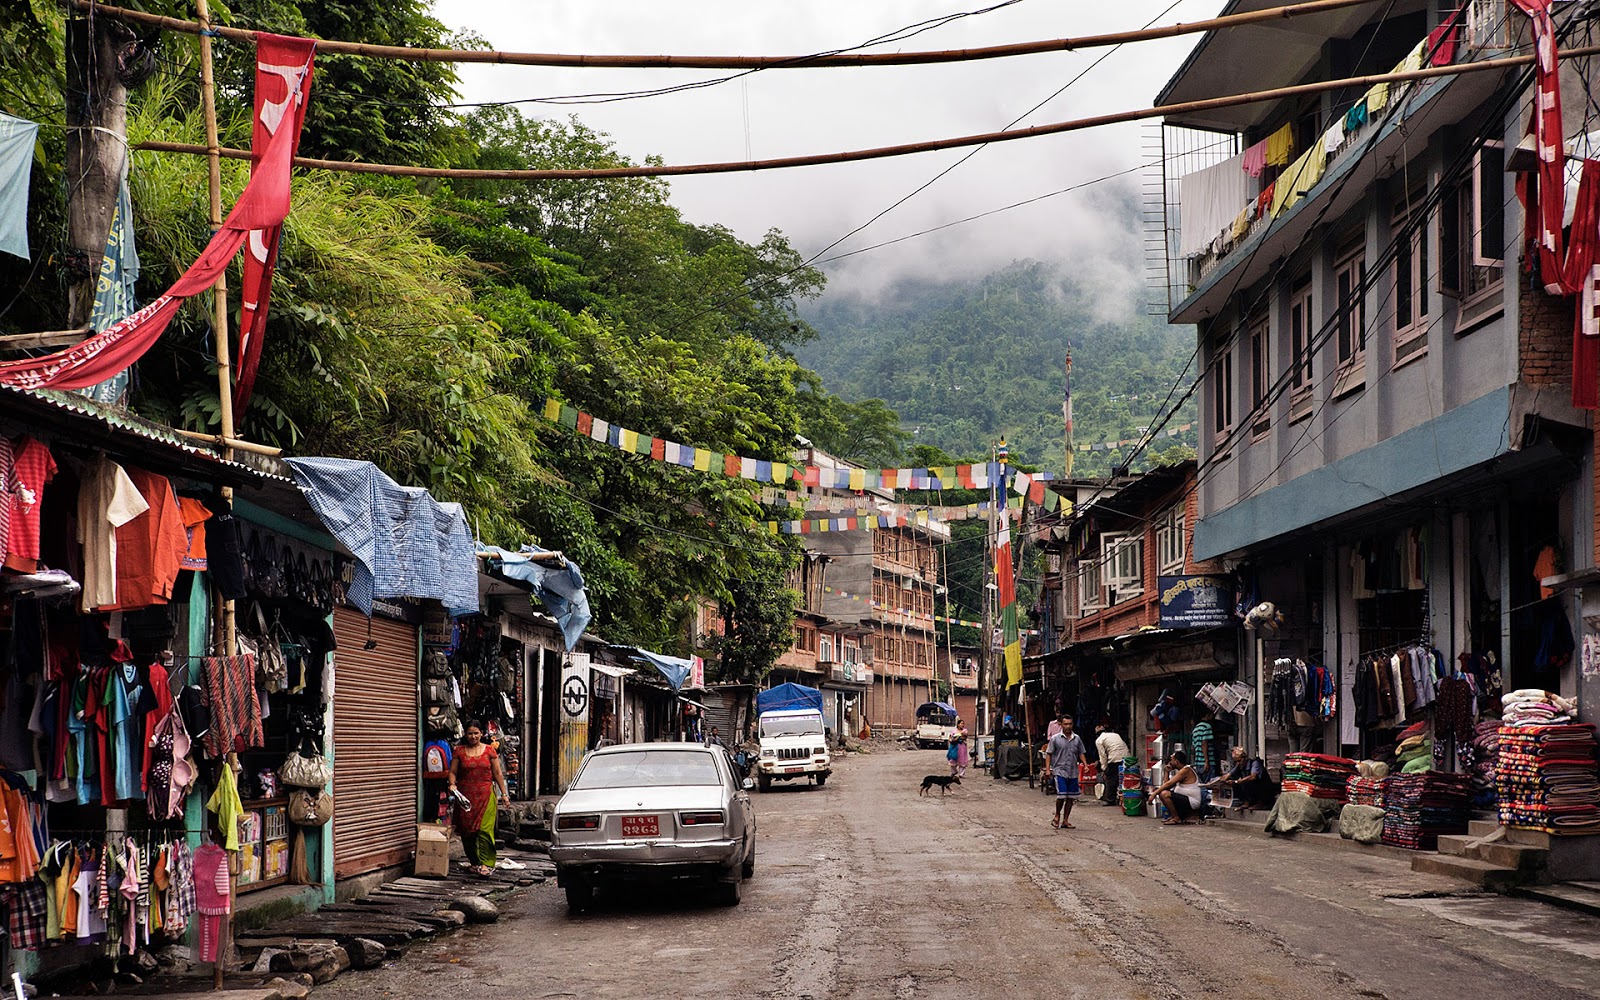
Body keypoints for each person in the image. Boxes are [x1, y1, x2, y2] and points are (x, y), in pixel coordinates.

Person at [448, 721, 509, 875]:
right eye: (470, 733)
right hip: (465, 797)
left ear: (481, 734)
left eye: (476, 733)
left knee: (484, 830)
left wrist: (504, 795)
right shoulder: (459, 751)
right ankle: (474, 862)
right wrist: (452, 784)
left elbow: (497, 774)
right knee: (467, 831)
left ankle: (487, 864)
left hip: (486, 794)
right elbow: (453, 772)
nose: (473, 736)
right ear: (465, 735)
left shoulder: (489, 751)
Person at [1042, 714, 1088, 830]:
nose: (1068, 726)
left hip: (1073, 771)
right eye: (1065, 724)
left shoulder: (1077, 739)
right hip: (1059, 770)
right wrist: (1048, 769)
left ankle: (1065, 820)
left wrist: (1085, 764)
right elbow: (1049, 754)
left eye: (1070, 724)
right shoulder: (1055, 739)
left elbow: (1081, 752)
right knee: (1061, 796)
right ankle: (1057, 816)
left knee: (1071, 797)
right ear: (1061, 725)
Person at [1210, 746, 1272, 811]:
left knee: (1246, 782)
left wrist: (1237, 781)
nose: (1238, 763)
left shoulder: (1255, 763)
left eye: (1239, 761)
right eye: (1236, 762)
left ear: (1244, 758)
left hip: (1264, 789)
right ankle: (1247, 801)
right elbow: (1228, 775)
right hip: (1251, 790)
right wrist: (1217, 782)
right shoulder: (1239, 766)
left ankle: (1260, 803)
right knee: (1233, 783)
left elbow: (1253, 776)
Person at [1153, 750, 1203, 825]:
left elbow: (1168, 784)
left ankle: (1176, 817)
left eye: (1172, 760)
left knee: (1164, 794)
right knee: (1164, 793)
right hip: (1185, 800)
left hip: (1192, 802)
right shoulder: (1179, 771)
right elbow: (1167, 786)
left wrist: (1154, 794)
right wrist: (1167, 772)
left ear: (1176, 762)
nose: (1170, 763)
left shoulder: (1186, 770)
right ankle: (1175, 816)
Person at [1093, 723, 1131, 807]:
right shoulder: (1115, 735)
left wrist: (1104, 769)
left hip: (1114, 758)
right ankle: (1121, 797)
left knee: (1110, 778)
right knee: (1123, 778)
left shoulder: (1099, 740)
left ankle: (1110, 799)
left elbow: (1102, 756)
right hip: (1127, 757)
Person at [1191, 710, 1217, 781]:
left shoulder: (1195, 729)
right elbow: (1204, 743)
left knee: (1202, 786)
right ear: (1207, 715)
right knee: (1210, 786)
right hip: (1207, 763)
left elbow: (1194, 746)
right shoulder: (1207, 727)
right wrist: (1207, 761)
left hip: (1198, 763)